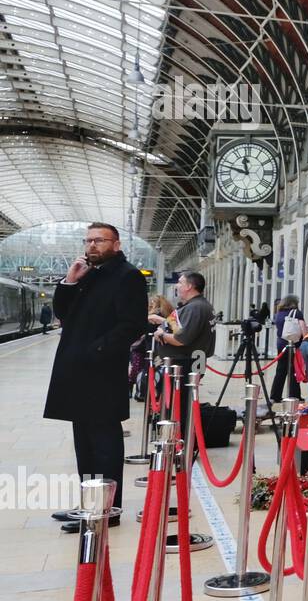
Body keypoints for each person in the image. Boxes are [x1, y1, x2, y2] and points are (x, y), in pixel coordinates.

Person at [44, 222, 148, 531]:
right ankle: (90, 504)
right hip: (79, 373)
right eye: (88, 240)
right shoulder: (89, 275)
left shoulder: (127, 276)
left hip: (102, 373)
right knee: (84, 444)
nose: (92, 245)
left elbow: (132, 324)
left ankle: (107, 510)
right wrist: (69, 281)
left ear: (116, 244)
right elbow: (63, 313)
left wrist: (96, 351)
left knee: (104, 443)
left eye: (99, 240)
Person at [153, 271, 216, 442]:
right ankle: (182, 437)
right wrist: (162, 322)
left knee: (182, 404)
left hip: (184, 364)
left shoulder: (195, 308)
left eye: (180, 282)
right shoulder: (198, 306)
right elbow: (181, 327)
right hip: (191, 361)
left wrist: (161, 335)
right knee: (183, 401)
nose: (177, 285)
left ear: (189, 286)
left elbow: (181, 339)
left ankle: (182, 439)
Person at [269, 295, 304, 403]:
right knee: (294, 369)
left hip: (281, 344)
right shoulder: (296, 313)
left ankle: (275, 395)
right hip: (293, 344)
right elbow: (303, 328)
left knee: (280, 370)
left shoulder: (278, 314)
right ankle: (294, 395)